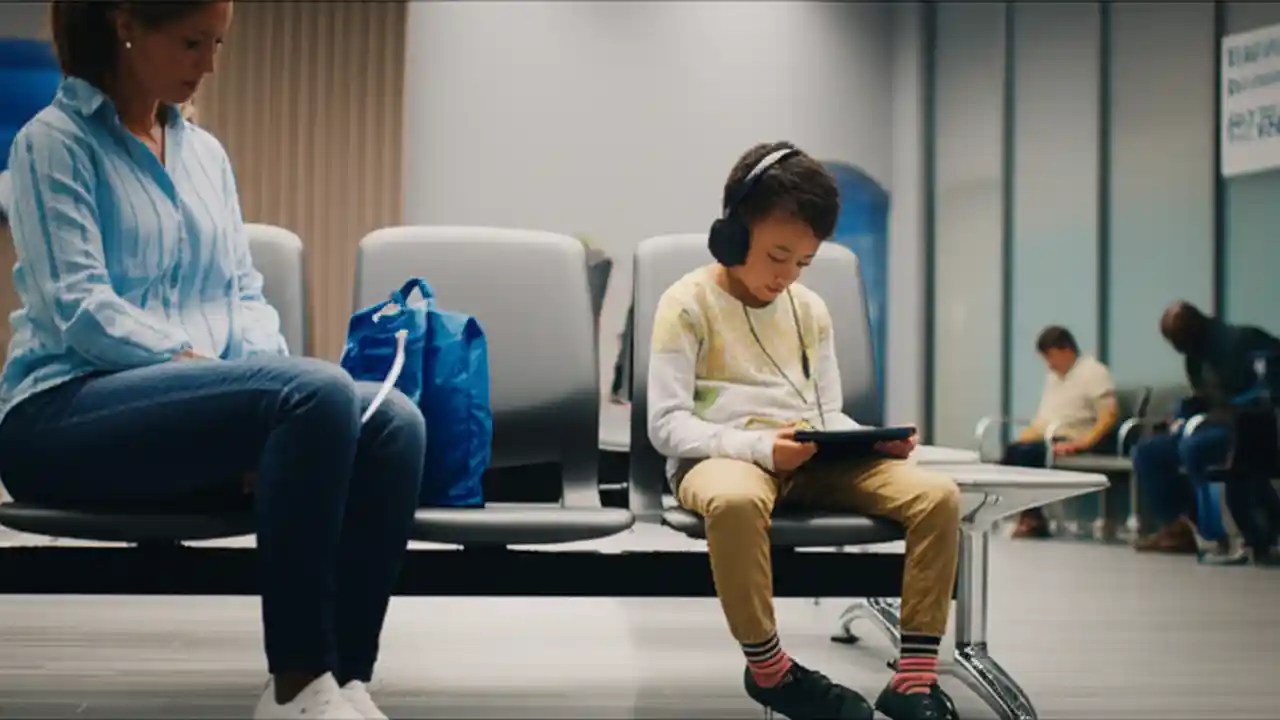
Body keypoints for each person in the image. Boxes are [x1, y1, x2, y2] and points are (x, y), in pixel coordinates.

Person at [0, 4, 425, 718]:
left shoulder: (205, 155)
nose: (209, 64)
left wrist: (265, 401)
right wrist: (217, 378)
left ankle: (341, 682)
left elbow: (243, 296)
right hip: (63, 413)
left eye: (219, 43)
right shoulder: (52, 143)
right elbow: (81, 308)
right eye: (193, 42)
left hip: (184, 413)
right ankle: (295, 687)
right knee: (315, 395)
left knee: (392, 422)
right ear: (127, 26)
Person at [648, 141, 961, 720]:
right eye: (778, 255)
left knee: (937, 496)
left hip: (810, 457)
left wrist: (866, 439)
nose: (788, 275)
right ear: (733, 233)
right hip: (721, 460)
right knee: (736, 502)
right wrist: (761, 448)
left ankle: (913, 681)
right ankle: (771, 672)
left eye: (804, 263)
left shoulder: (809, 309)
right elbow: (666, 426)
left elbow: (826, 411)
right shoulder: (686, 304)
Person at [1132, 301, 1280, 563]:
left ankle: (1220, 534)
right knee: (1148, 452)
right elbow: (1202, 396)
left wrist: (1230, 410)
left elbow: (1268, 389)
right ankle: (1181, 527)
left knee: (1194, 449)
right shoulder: (1195, 356)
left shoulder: (1245, 340)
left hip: (1250, 426)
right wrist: (1182, 416)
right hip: (1210, 424)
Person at [1000, 326, 1117, 538]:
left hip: (1077, 438)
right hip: (1050, 438)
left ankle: (1033, 519)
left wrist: (1083, 443)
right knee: (1012, 452)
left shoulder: (1093, 372)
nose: (1049, 364)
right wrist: (1021, 439)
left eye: (1051, 357)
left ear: (1066, 351)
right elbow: (1043, 419)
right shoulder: (1053, 378)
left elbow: (1108, 416)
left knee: (1028, 455)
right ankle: (1028, 516)